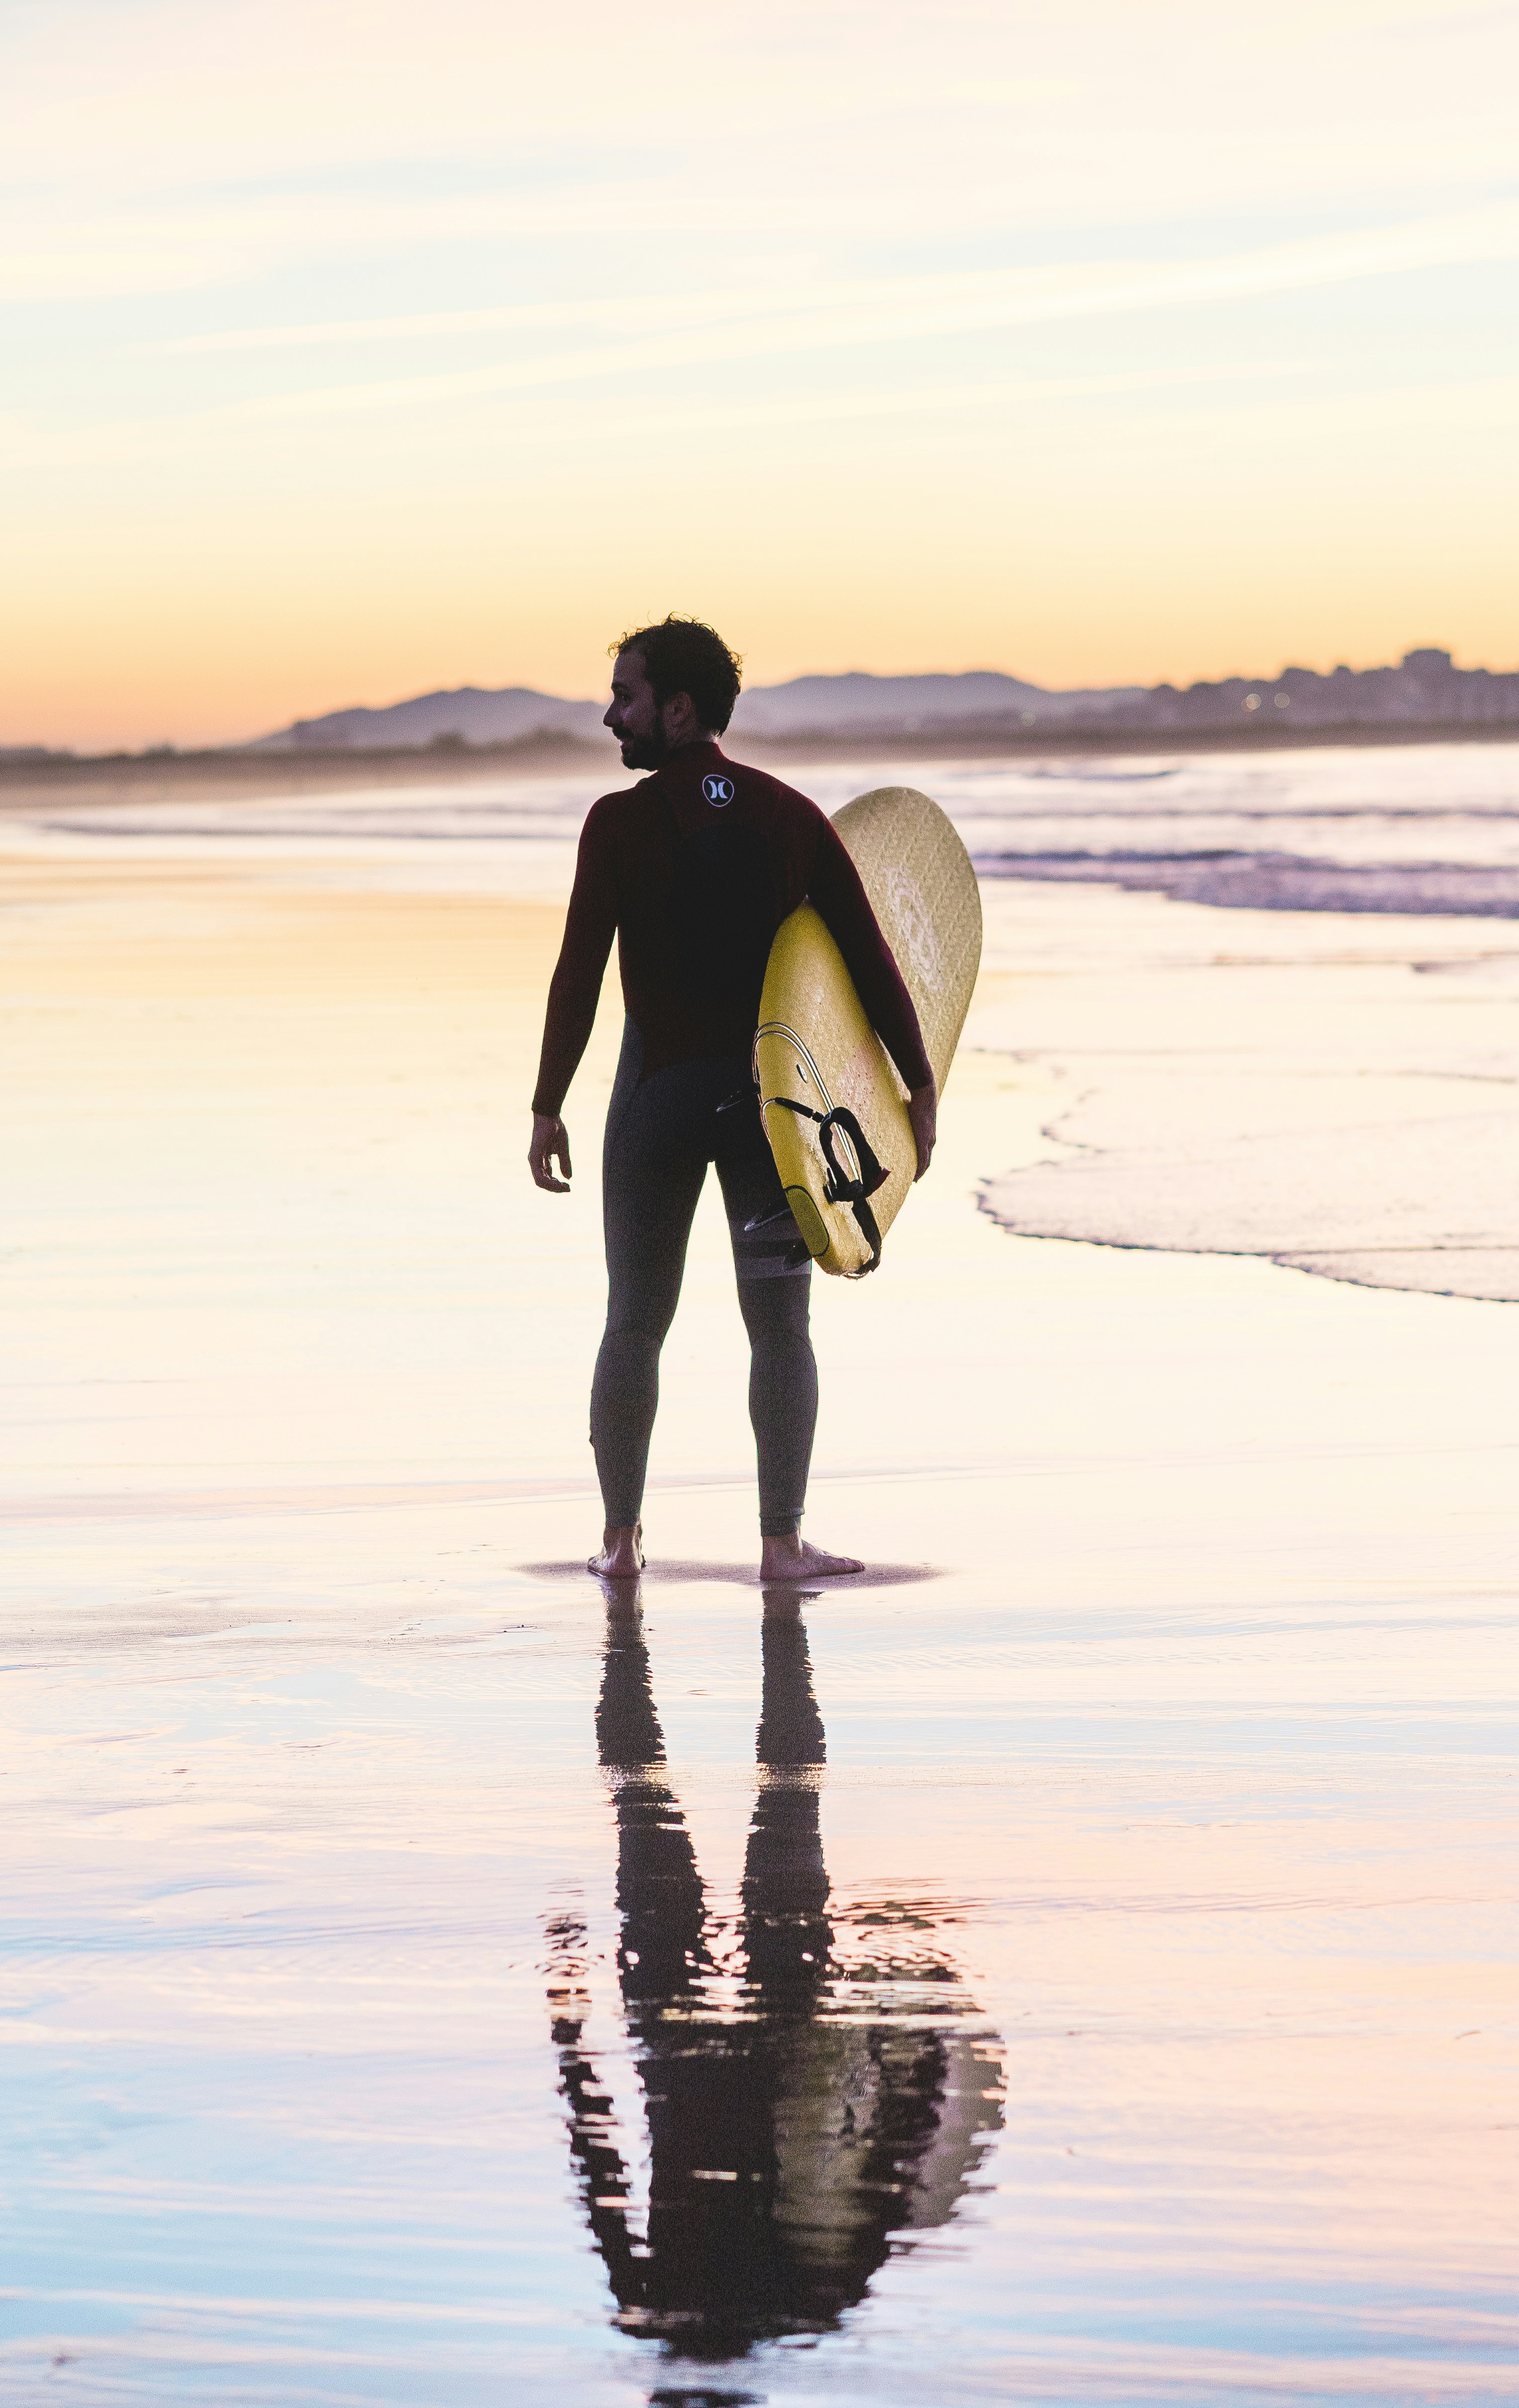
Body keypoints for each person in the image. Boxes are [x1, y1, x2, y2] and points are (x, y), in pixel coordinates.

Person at [527, 617, 936, 1582]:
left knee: (634, 1319)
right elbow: (869, 962)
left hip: (654, 1103)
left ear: (677, 709)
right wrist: (915, 1083)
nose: (609, 714)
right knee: (779, 1324)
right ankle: (781, 1543)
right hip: (766, 1117)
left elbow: (578, 972)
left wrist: (547, 1102)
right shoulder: (790, 816)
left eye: (624, 696)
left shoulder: (618, 823)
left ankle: (620, 1545)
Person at [542, 1589, 1005, 2364]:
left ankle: (694, 1633)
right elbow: (598, 2160)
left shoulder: (784, 2307)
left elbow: (603, 2163)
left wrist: (570, 2022)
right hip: (742, 2051)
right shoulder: (720, 2307)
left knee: (755, 1806)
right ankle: (766, 1631)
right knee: (676, 1804)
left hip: (736, 2054)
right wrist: (568, 2027)